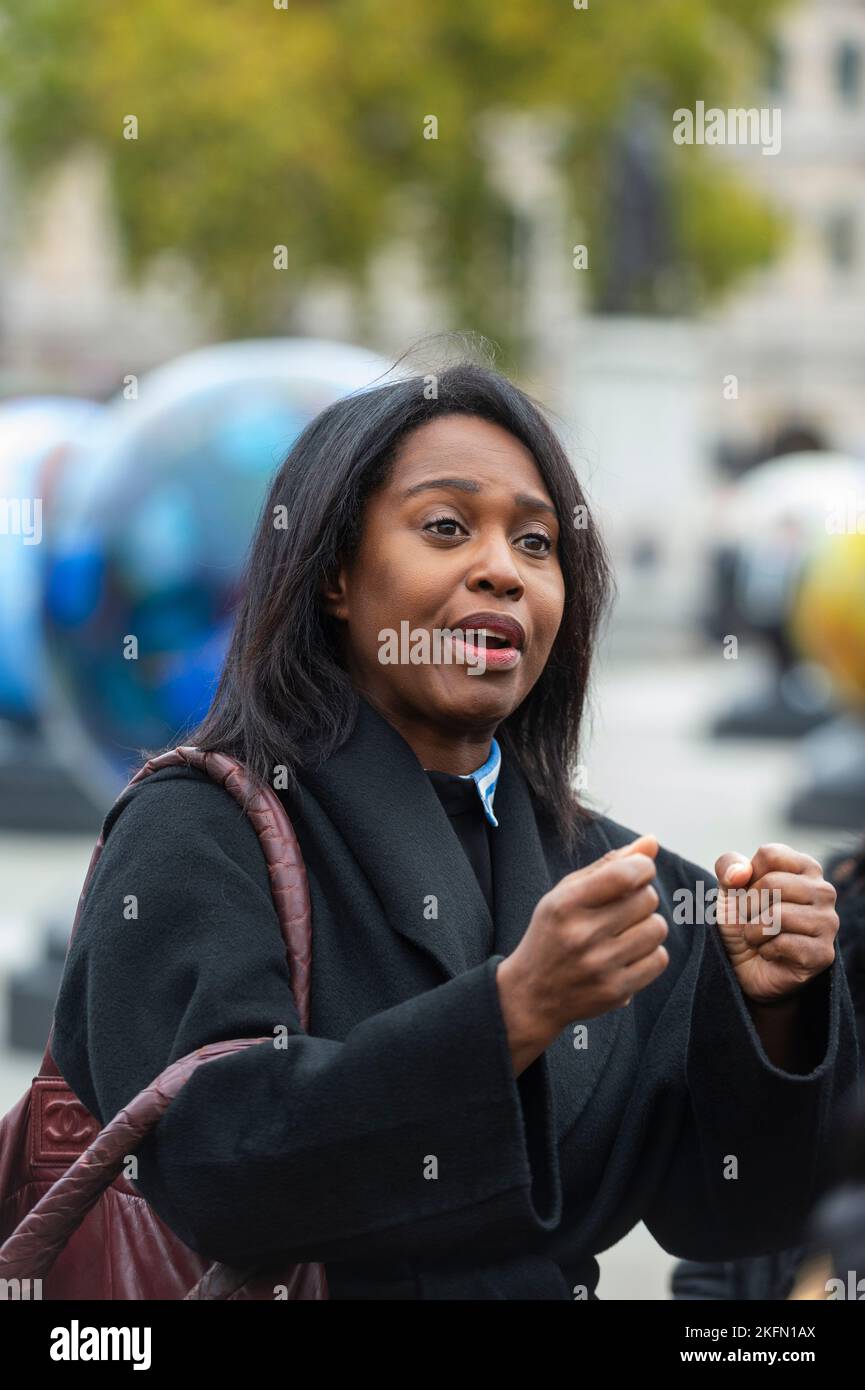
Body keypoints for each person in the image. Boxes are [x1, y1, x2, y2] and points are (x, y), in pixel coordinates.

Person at [52, 361, 858, 1300]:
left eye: (536, 542)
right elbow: (216, 1168)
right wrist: (507, 1015)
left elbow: (725, 1216)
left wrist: (770, 1008)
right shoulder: (197, 830)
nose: (501, 570)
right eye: (445, 527)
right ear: (335, 577)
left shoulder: (613, 876)